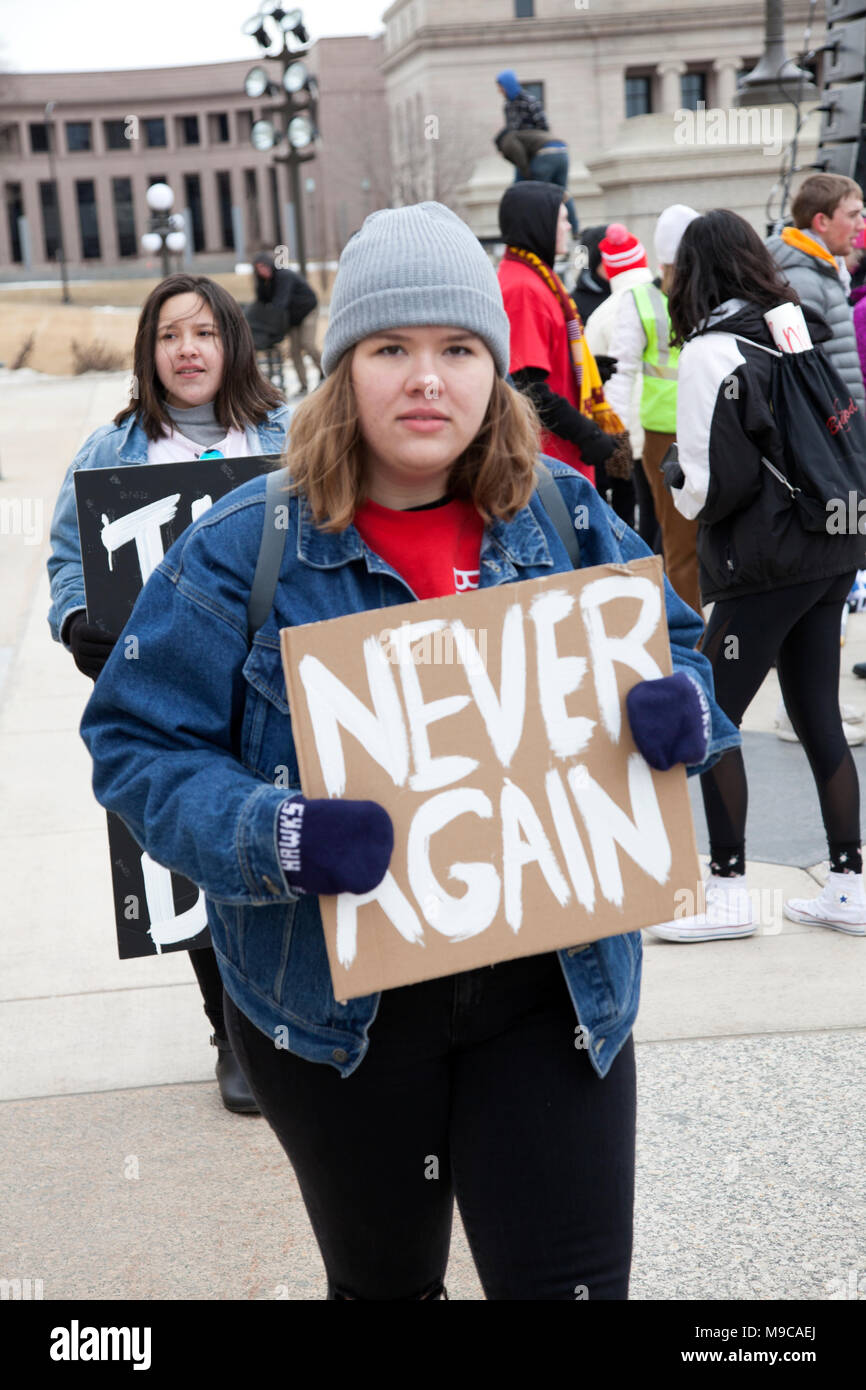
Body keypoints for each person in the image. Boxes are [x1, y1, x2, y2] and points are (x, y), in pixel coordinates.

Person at [78, 201, 738, 1300]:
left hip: (553, 995)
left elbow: (670, 642)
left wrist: (683, 710)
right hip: (338, 1017)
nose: (425, 378)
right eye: (391, 349)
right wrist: (274, 833)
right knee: (386, 1287)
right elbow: (135, 743)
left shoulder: (564, 513)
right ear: (343, 370)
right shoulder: (243, 547)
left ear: (492, 368)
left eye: (457, 349)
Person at [47, 273, 291, 1110]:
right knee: (191, 845)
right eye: (169, 336)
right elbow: (67, 562)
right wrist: (77, 616)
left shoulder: (292, 437)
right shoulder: (111, 453)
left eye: (204, 334)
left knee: (284, 835)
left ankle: (294, 1019)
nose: (188, 350)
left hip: (277, 681)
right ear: (150, 353)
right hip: (171, 686)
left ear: (232, 344)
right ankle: (231, 1034)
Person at [650, 209, 866, 942]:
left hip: (766, 558)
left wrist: (676, 475)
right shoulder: (790, 320)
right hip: (830, 544)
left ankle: (731, 888)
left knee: (712, 714)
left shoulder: (711, 349)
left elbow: (714, 487)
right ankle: (848, 882)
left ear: (694, 271)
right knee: (816, 712)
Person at [592, 209, 702, 618]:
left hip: (675, 431)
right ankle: (692, 635)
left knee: (681, 540)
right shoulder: (644, 300)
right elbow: (623, 373)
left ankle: (700, 634)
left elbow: (620, 374)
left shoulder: (645, 299)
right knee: (680, 539)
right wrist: (617, 438)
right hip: (674, 432)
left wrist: (617, 437)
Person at [496, 181, 632, 489]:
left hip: (555, 459)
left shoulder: (533, 278)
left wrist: (584, 369)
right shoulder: (523, 288)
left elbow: (538, 366)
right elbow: (525, 386)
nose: (570, 227)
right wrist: (586, 433)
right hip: (547, 463)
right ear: (538, 222)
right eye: (562, 218)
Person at [767, 173, 865, 410]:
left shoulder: (821, 271)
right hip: (831, 423)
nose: (861, 225)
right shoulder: (803, 279)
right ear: (822, 222)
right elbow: (801, 371)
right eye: (853, 216)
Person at [246, 250, 322, 397]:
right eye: (258, 268)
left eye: (264, 267)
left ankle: (325, 372)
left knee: (307, 344)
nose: (262, 271)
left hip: (308, 310)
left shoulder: (283, 275)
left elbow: (280, 302)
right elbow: (262, 301)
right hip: (292, 317)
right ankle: (304, 385)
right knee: (294, 351)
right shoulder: (264, 282)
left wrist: (272, 322)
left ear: (270, 265)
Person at [494, 128, 579, 236]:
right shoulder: (526, 133)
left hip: (545, 154)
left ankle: (540, 231)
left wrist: (528, 178)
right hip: (562, 151)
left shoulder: (507, 140)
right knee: (563, 192)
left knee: (537, 195)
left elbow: (520, 159)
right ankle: (575, 229)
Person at [494, 68, 548, 134]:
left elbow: (543, 126)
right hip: (516, 141)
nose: (499, 91)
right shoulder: (508, 105)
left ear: (508, 86)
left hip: (533, 139)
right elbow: (510, 128)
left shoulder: (529, 101)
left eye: (501, 87)